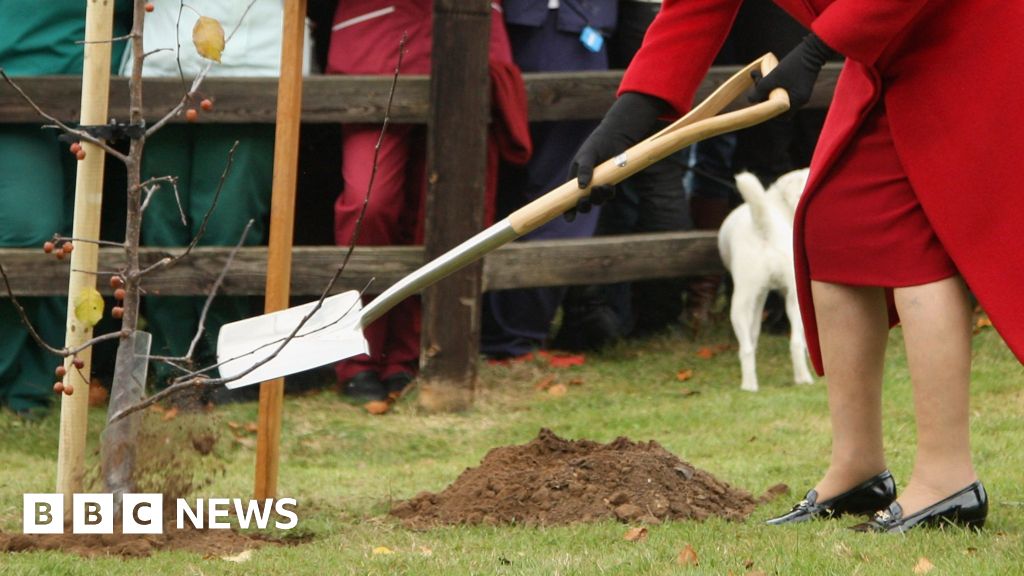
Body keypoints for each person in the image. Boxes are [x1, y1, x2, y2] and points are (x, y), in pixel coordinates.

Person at [571, 0, 1024, 532]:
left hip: (968, 36)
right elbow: (697, 7)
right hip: (886, 49)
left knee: (917, 235)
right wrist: (628, 118)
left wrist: (815, 48)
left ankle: (947, 480)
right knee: (835, 222)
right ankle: (858, 470)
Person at [326, 1, 530, 399]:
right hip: (376, 37)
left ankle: (413, 353)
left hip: (468, 39)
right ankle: (358, 356)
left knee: (446, 213)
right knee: (370, 203)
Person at [120, 0, 312, 392]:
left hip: (260, 63)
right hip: (159, 61)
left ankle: (230, 366)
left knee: (228, 221)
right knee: (160, 225)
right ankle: (172, 364)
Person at [0, 1, 131, 418]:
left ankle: (37, 387)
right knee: (28, 230)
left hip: (103, 97)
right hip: (15, 86)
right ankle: (11, 375)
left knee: (81, 238)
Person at [482, 0, 617, 360]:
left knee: (536, 188)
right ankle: (513, 340)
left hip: (555, 26)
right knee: (563, 192)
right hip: (553, 28)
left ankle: (510, 336)